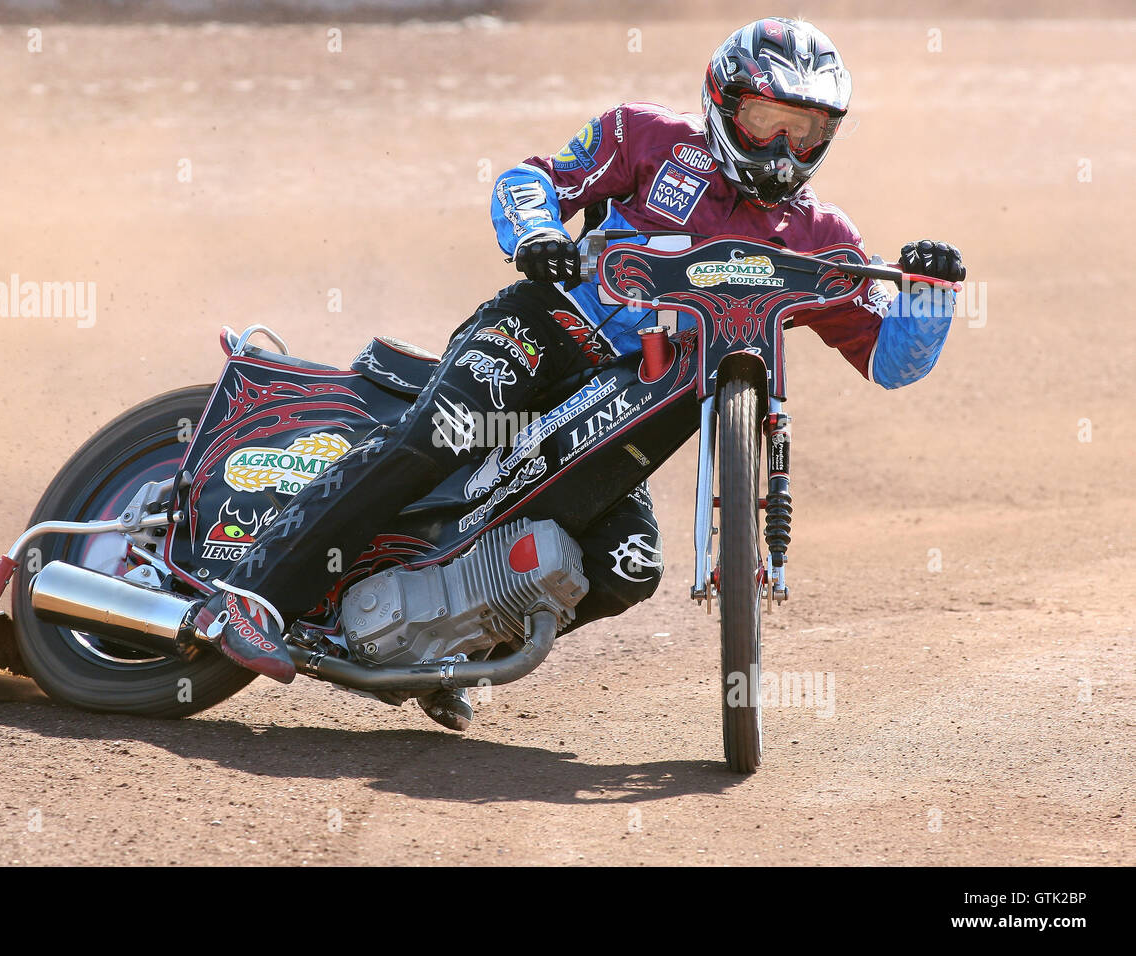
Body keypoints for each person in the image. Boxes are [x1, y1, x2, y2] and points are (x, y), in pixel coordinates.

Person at [188, 17, 965, 730]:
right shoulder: (646, 135)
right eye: (768, 122)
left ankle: (443, 652)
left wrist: (931, 295)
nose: (783, 150)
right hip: (547, 327)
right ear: (724, 105)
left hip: (626, 401)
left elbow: (889, 360)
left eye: (808, 131)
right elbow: (530, 180)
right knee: (446, 431)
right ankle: (248, 596)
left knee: (629, 568)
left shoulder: (824, 237)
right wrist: (536, 235)